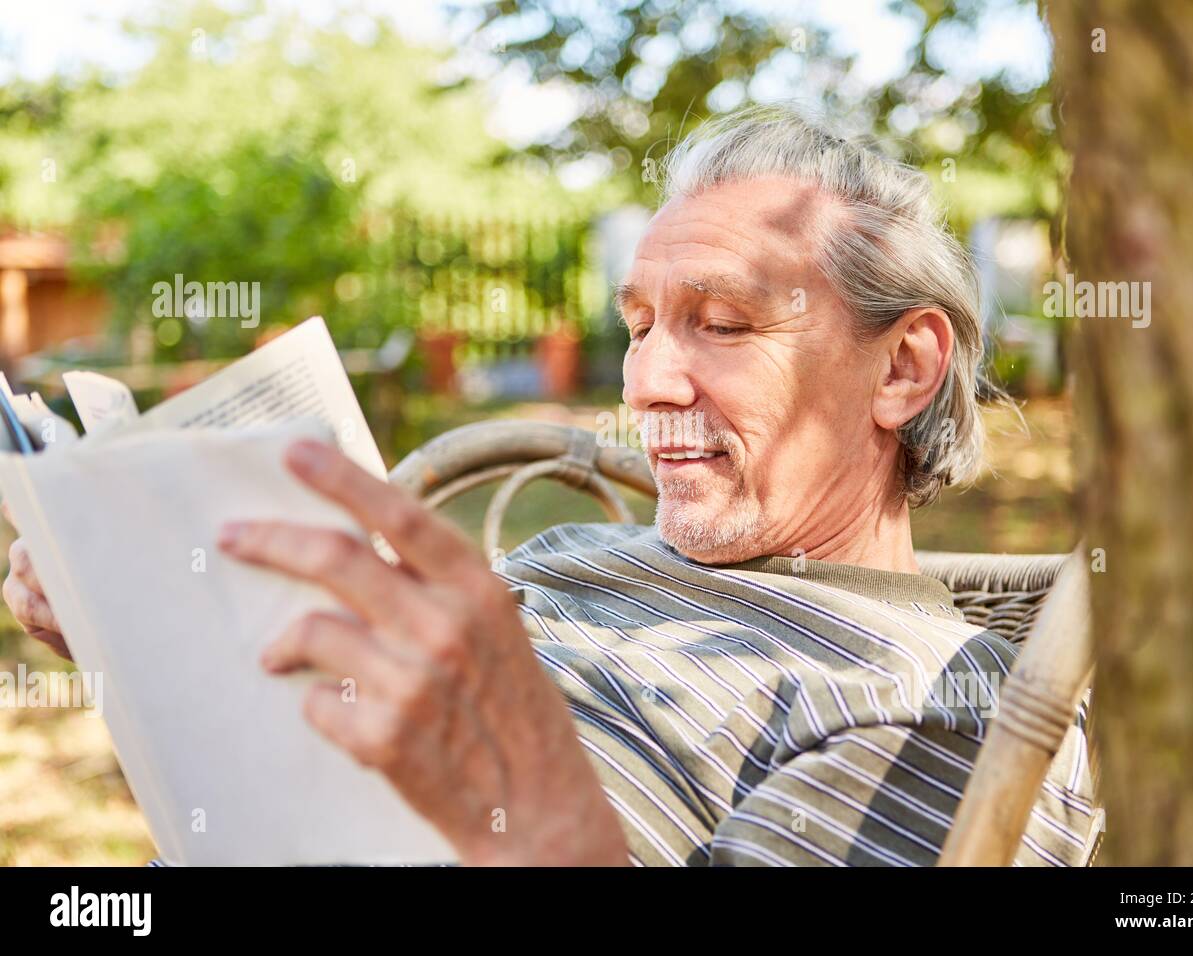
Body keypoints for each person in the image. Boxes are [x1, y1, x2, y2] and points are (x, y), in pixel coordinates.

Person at [4, 105, 1101, 866]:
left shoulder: (936, 706)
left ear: (903, 367)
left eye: (720, 324)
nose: (648, 379)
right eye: (637, 324)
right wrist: (137, 615)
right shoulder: (574, 556)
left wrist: (527, 796)